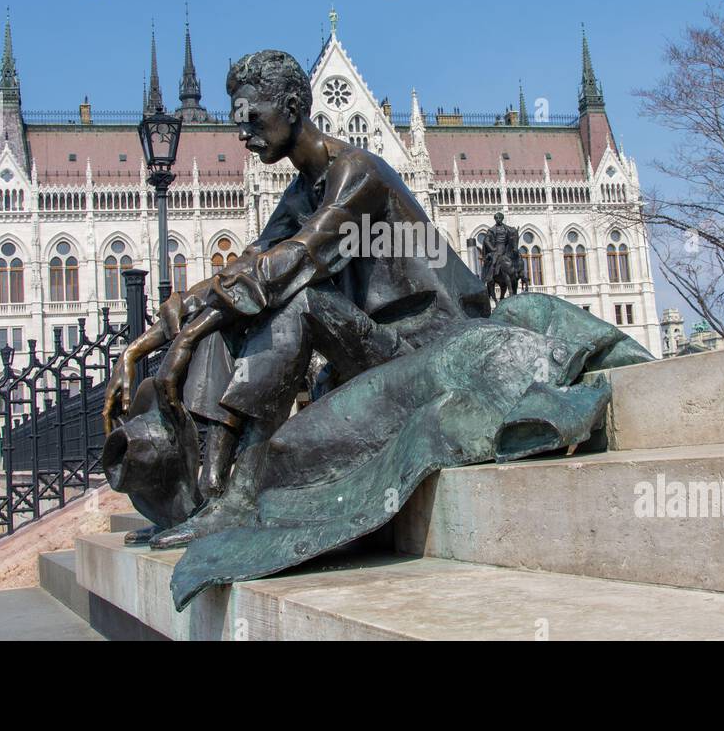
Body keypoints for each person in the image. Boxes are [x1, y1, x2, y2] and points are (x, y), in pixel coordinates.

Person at [103, 49, 488, 549]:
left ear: (290, 106)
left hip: (430, 348)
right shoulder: (302, 192)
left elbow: (300, 260)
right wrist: (145, 345)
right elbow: (248, 268)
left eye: (252, 117)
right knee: (246, 302)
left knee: (295, 298)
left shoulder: (359, 173)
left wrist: (185, 339)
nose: (243, 134)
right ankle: (206, 490)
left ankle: (236, 496)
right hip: (376, 352)